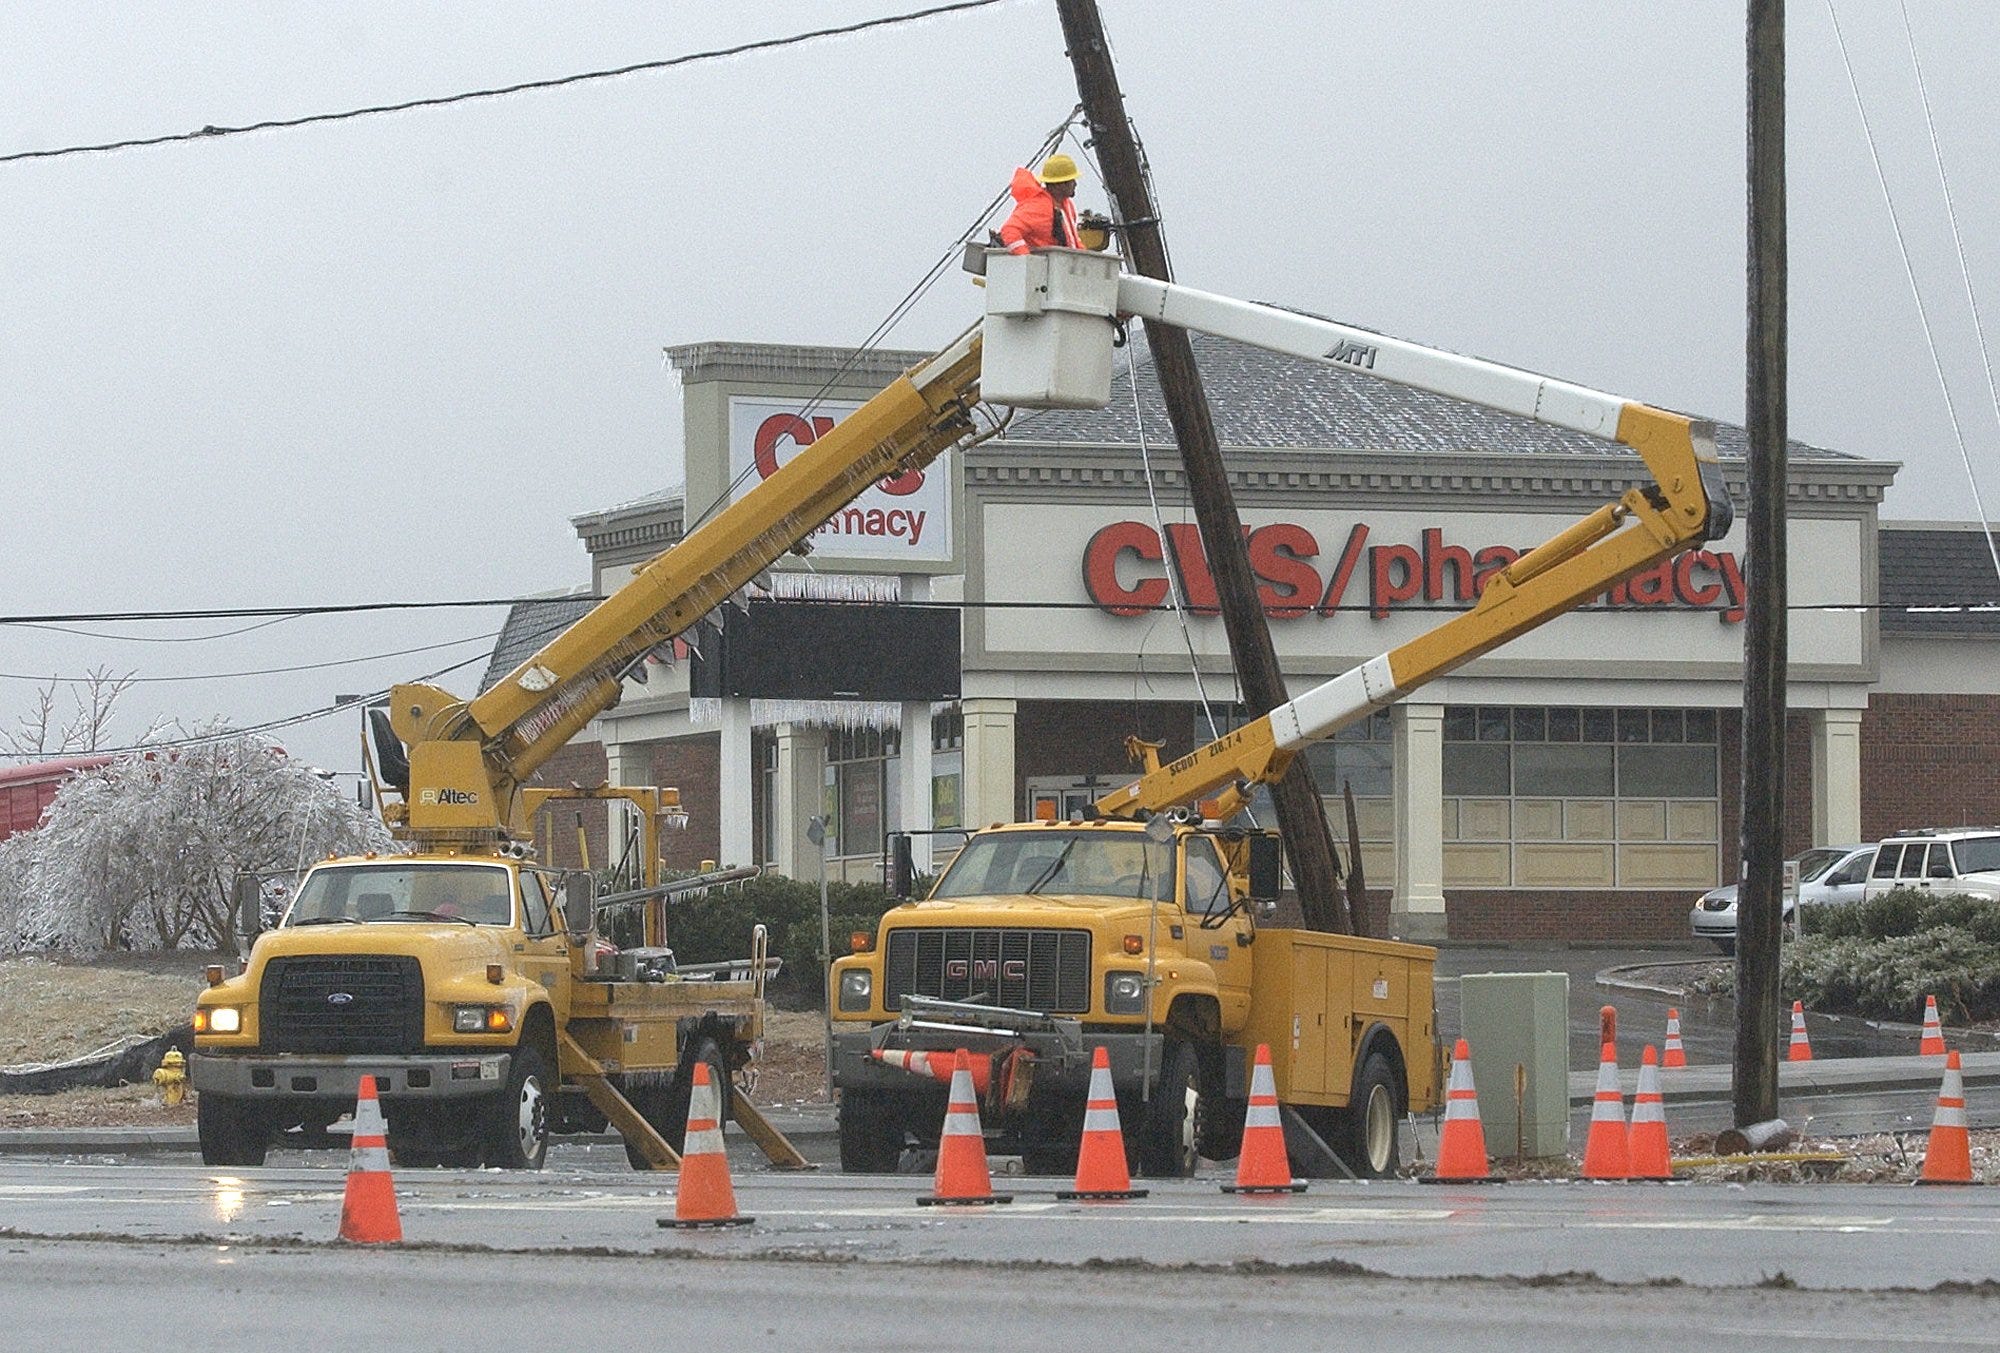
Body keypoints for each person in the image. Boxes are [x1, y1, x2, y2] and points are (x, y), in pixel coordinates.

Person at [999, 153, 1083, 255]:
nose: (1075, 184)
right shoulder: (1037, 207)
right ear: (1058, 185)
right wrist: (1027, 258)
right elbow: (1009, 230)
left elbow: (1073, 240)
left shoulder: (1067, 205)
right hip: (1044, 268)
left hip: (1061, 266)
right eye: (1071, 180)